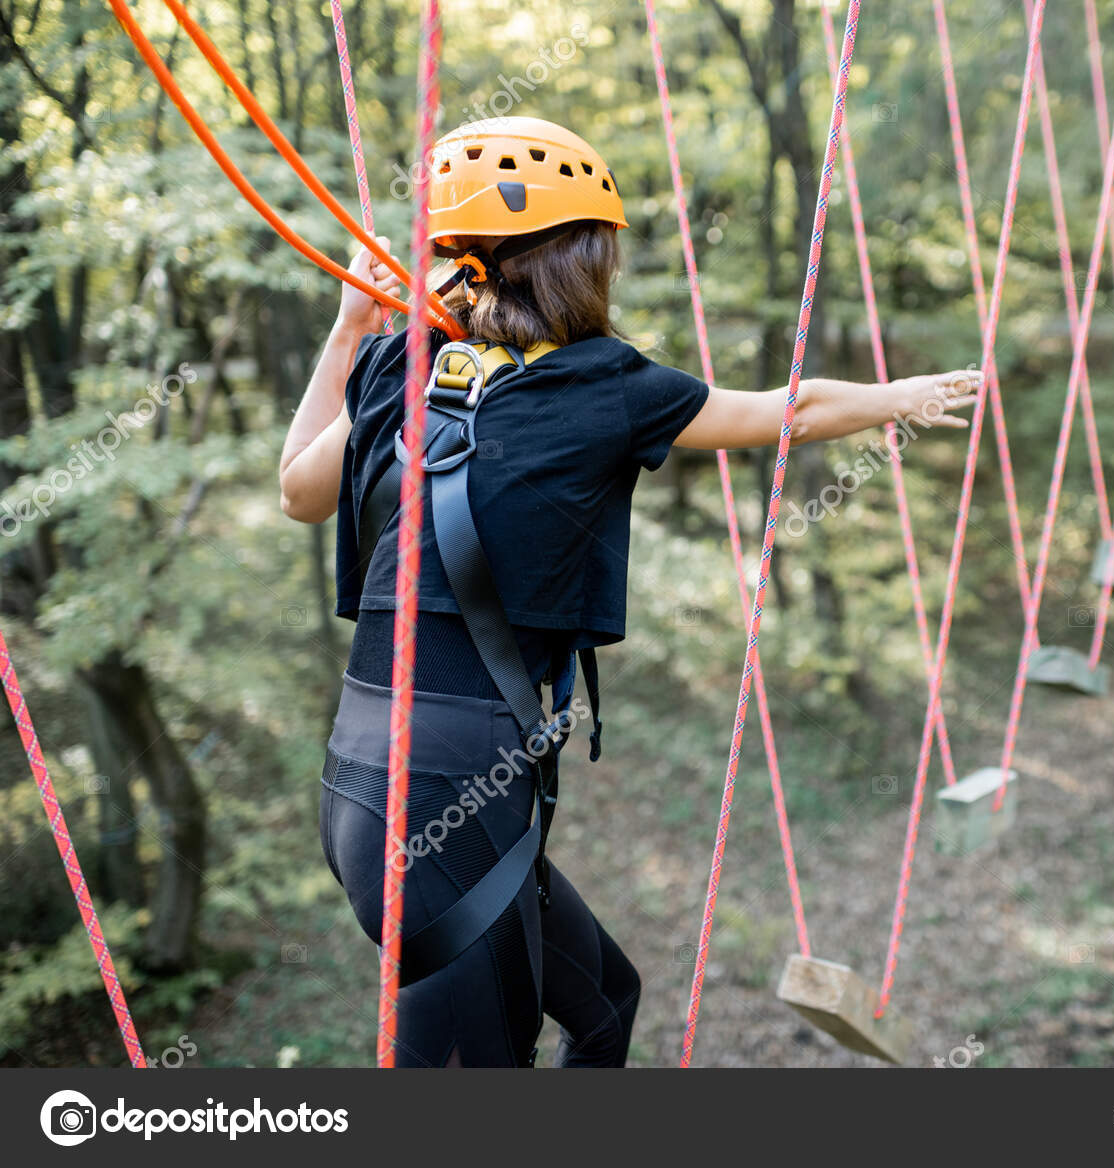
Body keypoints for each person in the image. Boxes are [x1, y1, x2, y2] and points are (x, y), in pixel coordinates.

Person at [277, 117, 979, 1068]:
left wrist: (350, 328)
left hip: (366, 782)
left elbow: (298, 492)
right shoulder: (604, 384)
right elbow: (790, 411)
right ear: (573, 261)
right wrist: (905, 397)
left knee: (606, 1006)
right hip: (446, 795)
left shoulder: (405, 370)